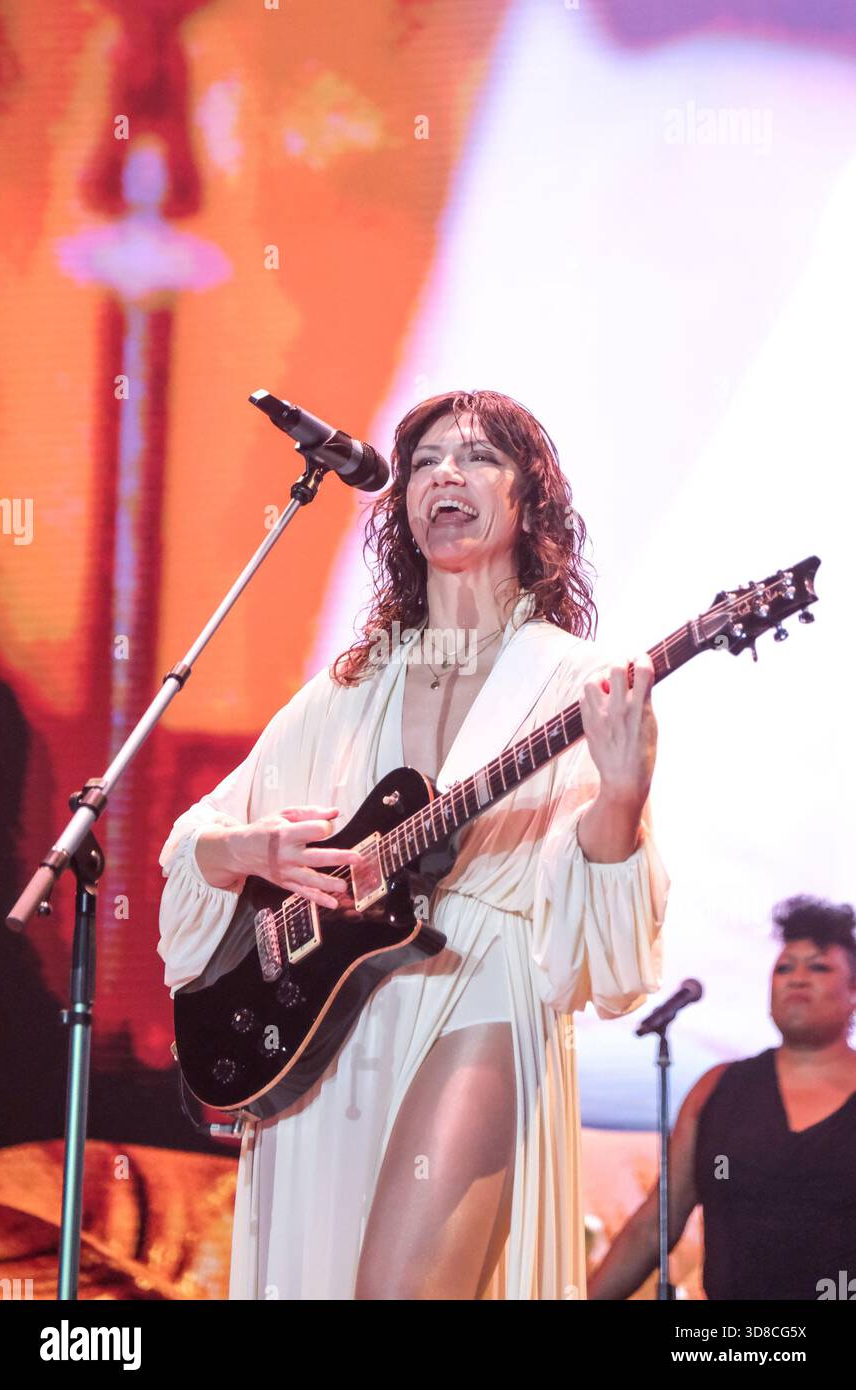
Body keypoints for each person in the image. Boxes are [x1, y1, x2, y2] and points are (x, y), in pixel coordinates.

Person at [157, 388, 669, 1300]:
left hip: (485, 983)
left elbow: (593, 923)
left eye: (479, 459)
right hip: (337, 1006)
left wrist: (623, 794)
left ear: (529, 501)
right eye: (428, 460)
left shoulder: (578, 679)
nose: (447, 475)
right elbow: (198, 838)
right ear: (403, 505)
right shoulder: (354, 682)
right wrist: (254, 851)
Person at [588, 896, 856, 1301]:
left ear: (853, 992)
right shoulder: (718, 1088)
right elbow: (656, 1224)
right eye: (785, 968)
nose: (797, 978)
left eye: (818, 967)